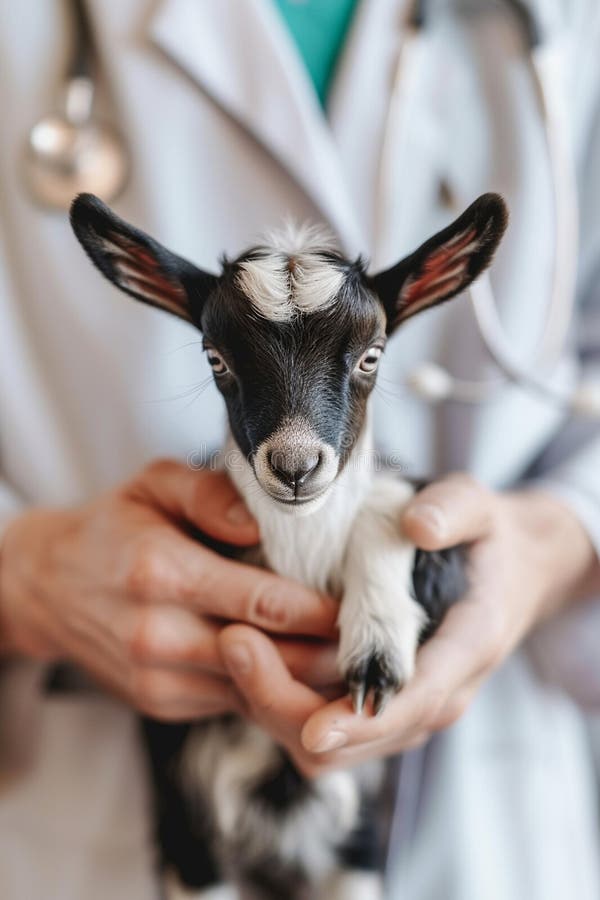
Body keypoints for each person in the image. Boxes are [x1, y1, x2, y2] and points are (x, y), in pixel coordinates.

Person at [0, 1, 599, 898]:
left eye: (360, 358)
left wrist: (558, 541)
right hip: (104, 814)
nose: (294, 444)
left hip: (485, 813)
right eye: (222, 359)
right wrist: (20, 571)